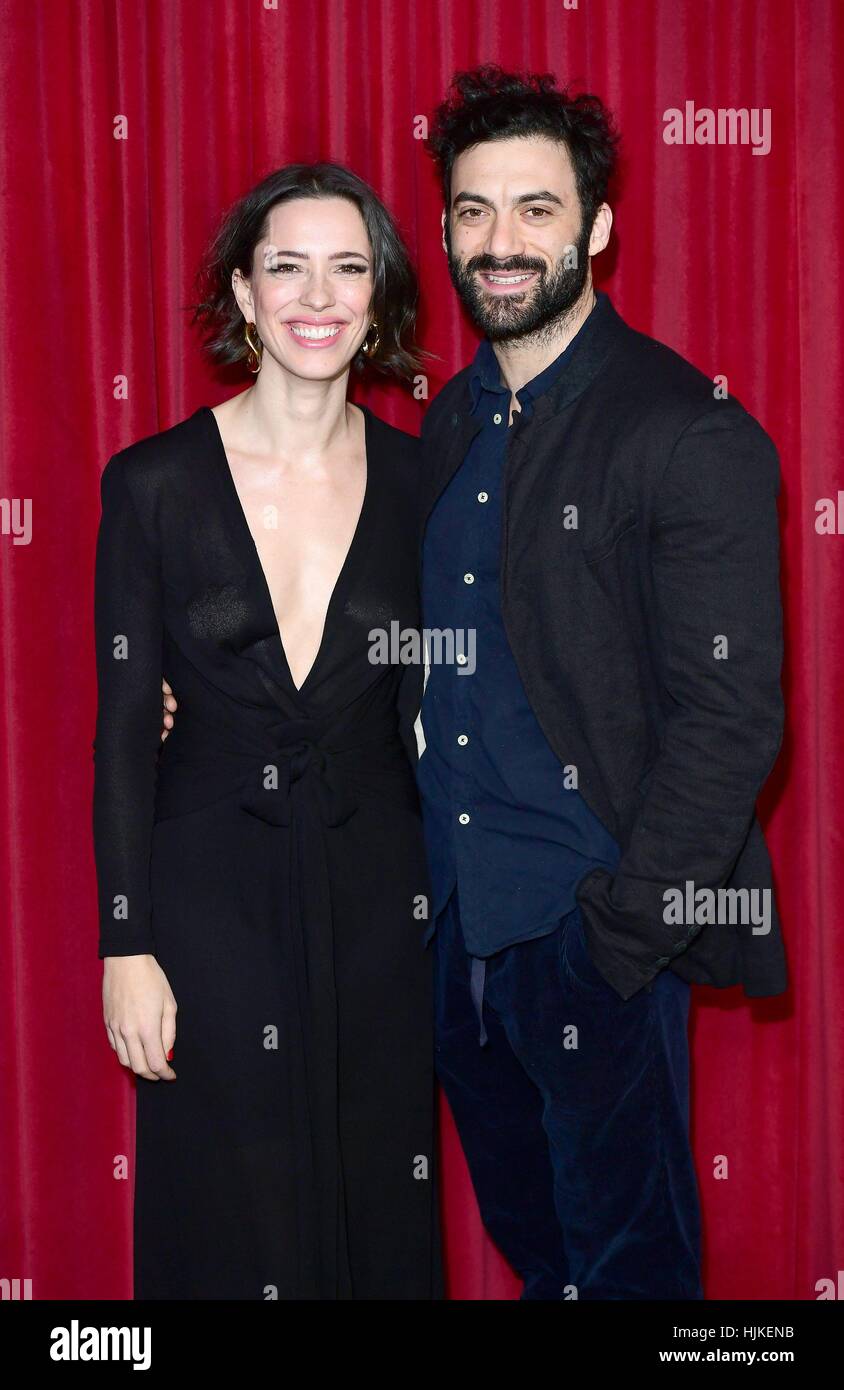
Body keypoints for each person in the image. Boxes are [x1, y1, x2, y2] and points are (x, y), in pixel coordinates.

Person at [414, 66, 787, 1300]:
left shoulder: (685, 428)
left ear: (597, 227)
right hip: (454, 931)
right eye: (474, 212)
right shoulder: (451, 419)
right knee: (543, 1263)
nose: (501, 241)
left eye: (535, 208)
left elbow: (732, 718)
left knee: (633, 1276)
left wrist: (620, 933)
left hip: (587, 932)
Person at [92, 162, 442, 1300]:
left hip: (377, 901)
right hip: (207, 905)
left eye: (348, 267)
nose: (316, 295)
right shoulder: (151, 484)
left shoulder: (424, 484)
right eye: (285, 265)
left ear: (380, 296)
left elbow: (448, 704)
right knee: (227, 1208)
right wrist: (125, 941)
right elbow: (119, 726)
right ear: (243, 293)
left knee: (374, 1204)